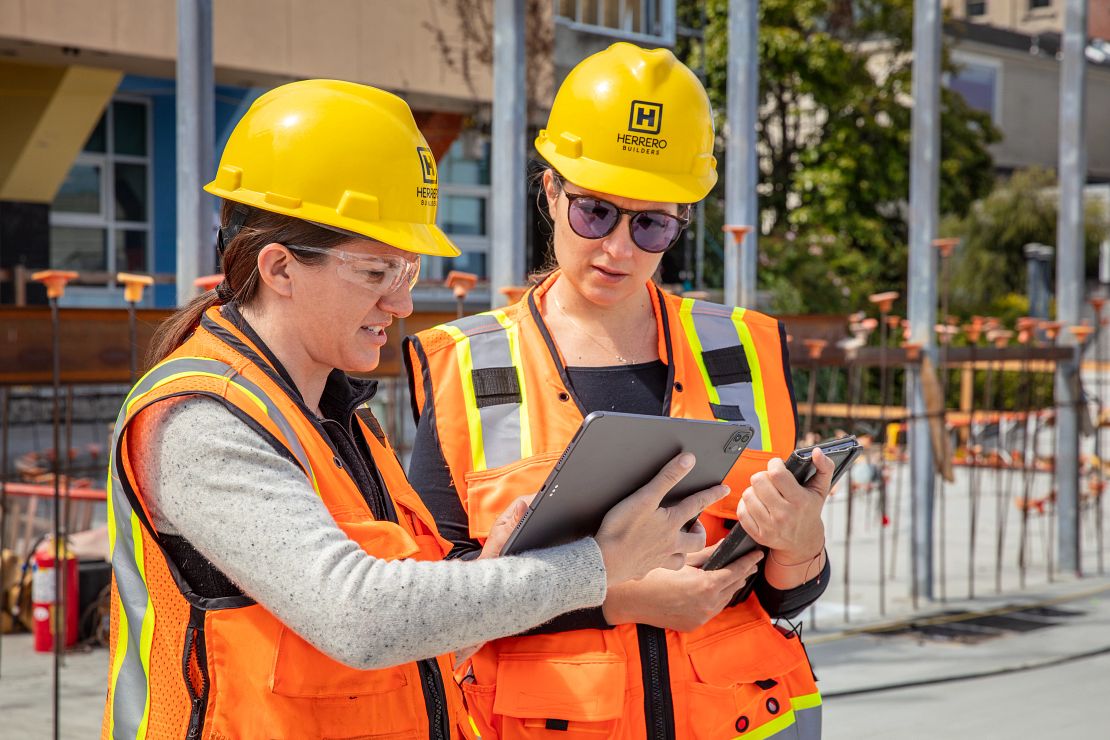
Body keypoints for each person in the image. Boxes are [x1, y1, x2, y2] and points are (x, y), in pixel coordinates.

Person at [100, 79, 727, 740]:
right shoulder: (200, 421)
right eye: (375, 274)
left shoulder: (339, 419)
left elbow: (415, 636)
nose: (400, 306)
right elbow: (359, 617)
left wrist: (499, 566)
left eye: (409, 273)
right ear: (279, 268)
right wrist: (599, 566)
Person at [405, 43, 832, 740]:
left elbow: (788, 591)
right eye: (595, 213)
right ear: (550, 193)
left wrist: (803, 542)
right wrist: (624, 598)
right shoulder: (469, 366)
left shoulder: (739, 351)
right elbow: (437, 603)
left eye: (651, 224)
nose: (619, 249)